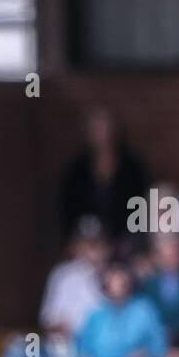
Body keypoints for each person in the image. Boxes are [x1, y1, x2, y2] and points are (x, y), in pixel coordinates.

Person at [59, 108, 150, 257]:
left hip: (125, 241)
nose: (101, 134)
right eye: (96, 129)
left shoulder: (132, 167)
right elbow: (68, 209)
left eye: (105, 128)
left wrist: (132, 240)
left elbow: (141, 205)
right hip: (88, 242)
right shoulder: (77, 171)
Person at [75, 263, 167, 357]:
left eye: (121, 284)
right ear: (104, 287)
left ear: (129, 285)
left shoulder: (144, 310)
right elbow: (82, 347)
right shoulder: (95, 315)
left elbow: (158, 345)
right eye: (112, 284)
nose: (117, 289)